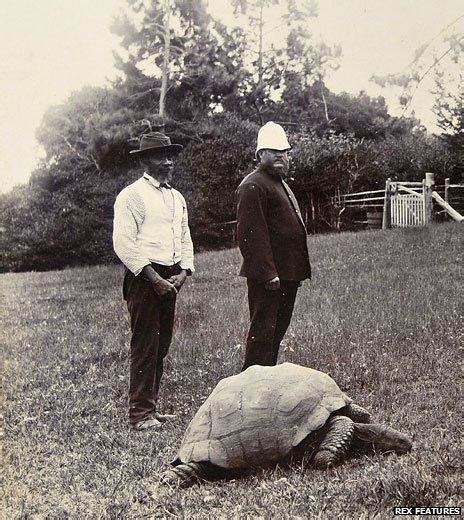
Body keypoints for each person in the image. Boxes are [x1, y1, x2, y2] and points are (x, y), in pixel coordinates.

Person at [113, 131, 194, 431]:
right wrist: (154, 278)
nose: (169, 161)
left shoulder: (176, 196)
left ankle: (151, 408)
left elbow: (184, 236)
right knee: (145, 345)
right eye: (161, 156)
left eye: (171, 155)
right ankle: (139, 414)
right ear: (146, 160)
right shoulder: (132, 195)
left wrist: (184, 272)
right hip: (144, 278)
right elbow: (124, 243)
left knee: (161, 346)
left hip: (171, 277)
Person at [236, 121, 311, 371]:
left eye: (284, 151)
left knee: (275, 334)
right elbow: (251, 235)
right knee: (262, 335)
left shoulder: (279, 183)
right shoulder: (253, 185)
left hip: (287, 274)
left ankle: (265, 382)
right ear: (260, 155)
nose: (280, 156)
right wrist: (268, 273)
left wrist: (296, 272)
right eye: (273, 151)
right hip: (270, 277)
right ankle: (250, 388)